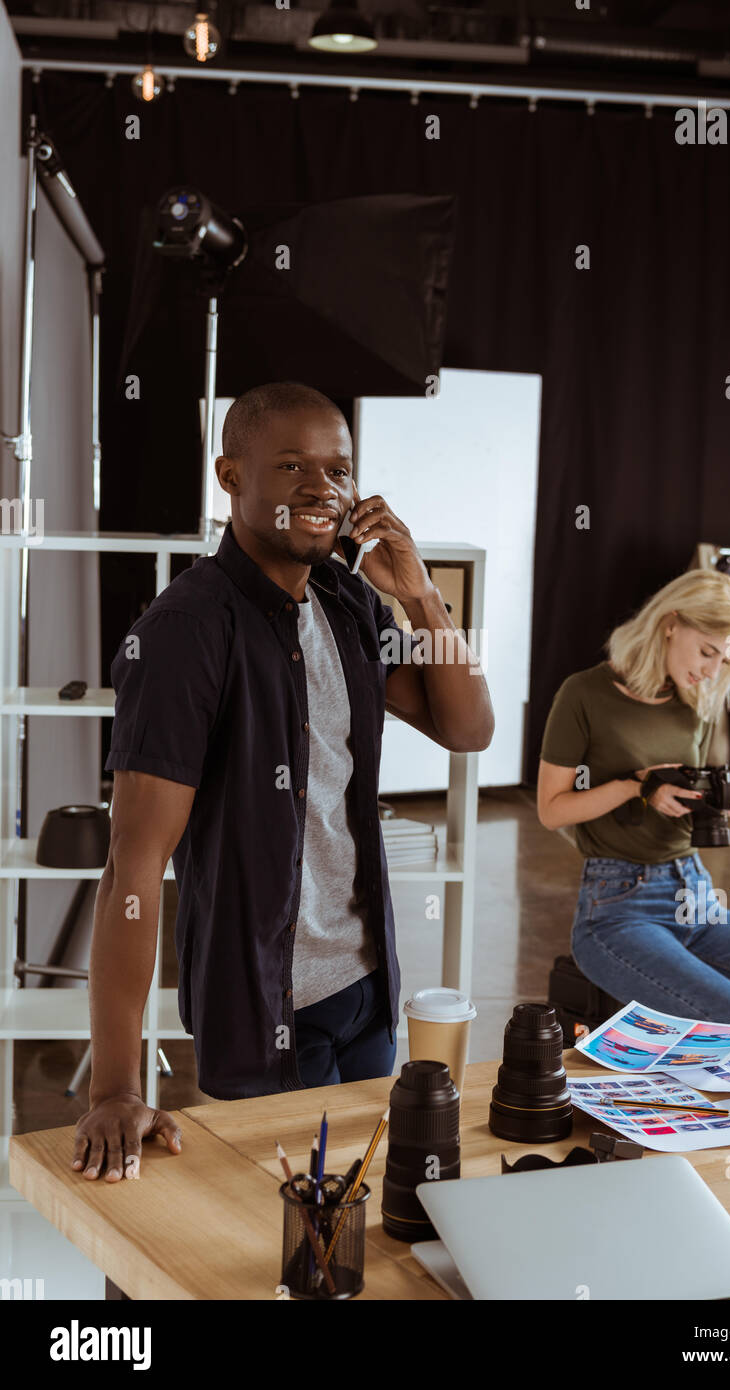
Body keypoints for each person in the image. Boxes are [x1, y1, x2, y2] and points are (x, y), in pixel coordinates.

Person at [72, 381, 494, 1182]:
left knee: (366, 1214)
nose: (322, 489)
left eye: (338, 470)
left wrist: (420, 597)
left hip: (368, 984)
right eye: (292, 465)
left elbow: (467, 728)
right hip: (266, 1004)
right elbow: (132, 867)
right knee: (285, 1243)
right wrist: (118, 1087)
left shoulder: (345, 601)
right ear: (231, 476)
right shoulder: (185, 631)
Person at [536, 569, 730, 1024]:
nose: (710, 671)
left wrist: (719, 797)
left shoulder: (696, 701)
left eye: (724, 662)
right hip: (617, 909)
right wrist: (636, 784)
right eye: (706, 652)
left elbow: (685, 792)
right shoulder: (584, 694)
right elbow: (551, 810)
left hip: (695, 893)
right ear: (670, 622)